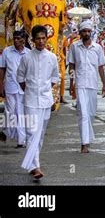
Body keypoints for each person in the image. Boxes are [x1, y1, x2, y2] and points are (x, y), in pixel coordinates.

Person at [16, 25, 59, 179]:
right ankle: (35, 167)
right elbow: (20, 77)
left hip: (46, 101)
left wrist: (45, 90)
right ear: (32, 40)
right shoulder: (26, 57)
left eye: (43, 38)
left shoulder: (52, 57)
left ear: (46, 39)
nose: (41, 41)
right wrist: (30, 90)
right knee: (32, 132)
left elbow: (55, 78)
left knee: (39, 135)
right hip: (30, 101)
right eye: (38, 38)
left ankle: (32, 164)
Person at [68, 20, 105, 153]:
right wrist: (71, 84)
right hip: (80, 84)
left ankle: (88, 139)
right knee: (83, 114)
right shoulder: (74, 47)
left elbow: (101, 67)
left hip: (93, 84)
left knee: (90, 114)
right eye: (84, 31)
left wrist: (104, 85)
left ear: (91, 32)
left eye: (88, 31)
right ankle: (84, 143)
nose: (86, 33)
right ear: (80, 33)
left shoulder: (97, 48)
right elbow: (72, 65)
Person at [0, 31, 30, 147]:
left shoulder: (28, 53)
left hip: (23, 87)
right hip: (10, 86)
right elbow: (2, 69)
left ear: (24, 39)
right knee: (10, 112)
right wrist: (1, 85)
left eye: (18, 38)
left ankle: (21, 140)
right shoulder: (7, 51)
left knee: (21, 113)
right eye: (15, 38)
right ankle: (7, 131)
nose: (16, 40)